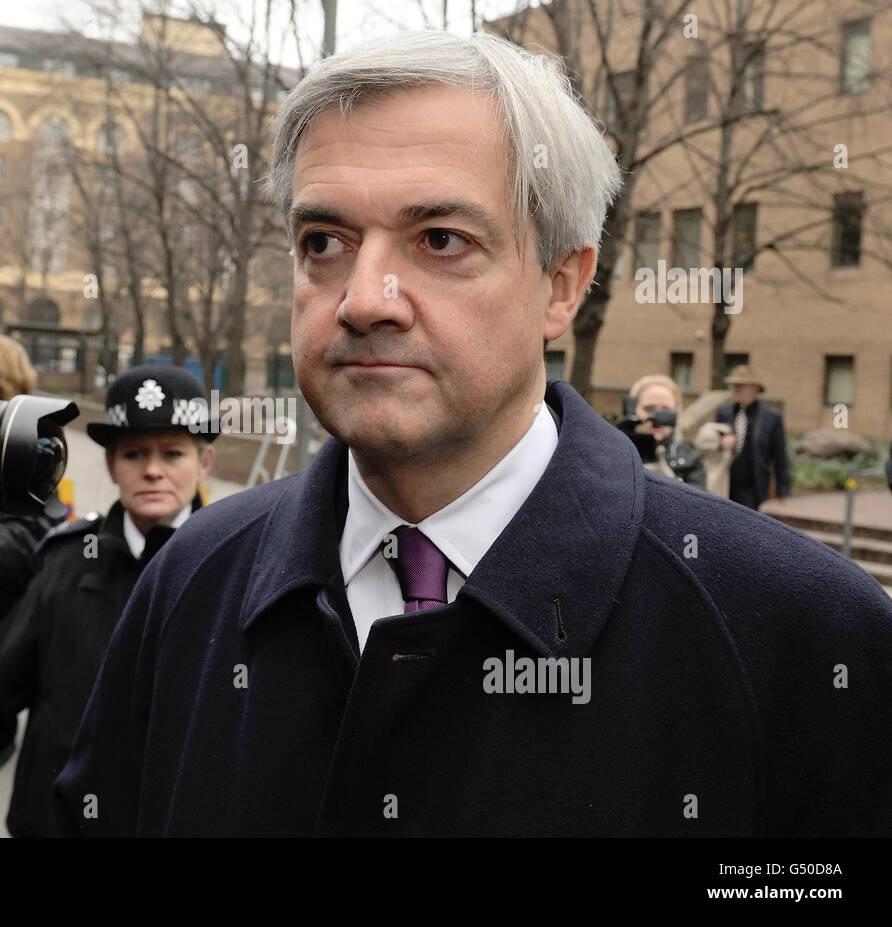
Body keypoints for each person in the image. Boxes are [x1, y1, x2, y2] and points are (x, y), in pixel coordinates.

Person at [54, 32, 892, 837]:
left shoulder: (800, 637)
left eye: (440, 240)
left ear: (562, 284)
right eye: (324, 242)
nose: (363, 298)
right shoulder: (193, 579)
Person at [0, 366, 215, 837]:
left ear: (204, 462)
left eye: (172, 453)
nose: (152, 470)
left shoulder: (238, 568)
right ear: (111, 465)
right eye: (134, 453)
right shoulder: (65, 563)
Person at [713, 365, 790, 510]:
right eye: (734, 385)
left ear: (755, 389)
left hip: (753, 486)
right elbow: (709, 442)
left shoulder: (771, 417)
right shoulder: (723, 412)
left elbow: (780, 455)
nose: (736, 389)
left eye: (741, 385)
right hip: (725, 482)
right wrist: (719, 443)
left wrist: (782, 490)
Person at [628, 374, 705, 488]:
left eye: (666, 410)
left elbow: (698, 502)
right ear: (633, 409)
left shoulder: (691, 457)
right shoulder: (615, 449)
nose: (657, 417)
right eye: (649, 409)